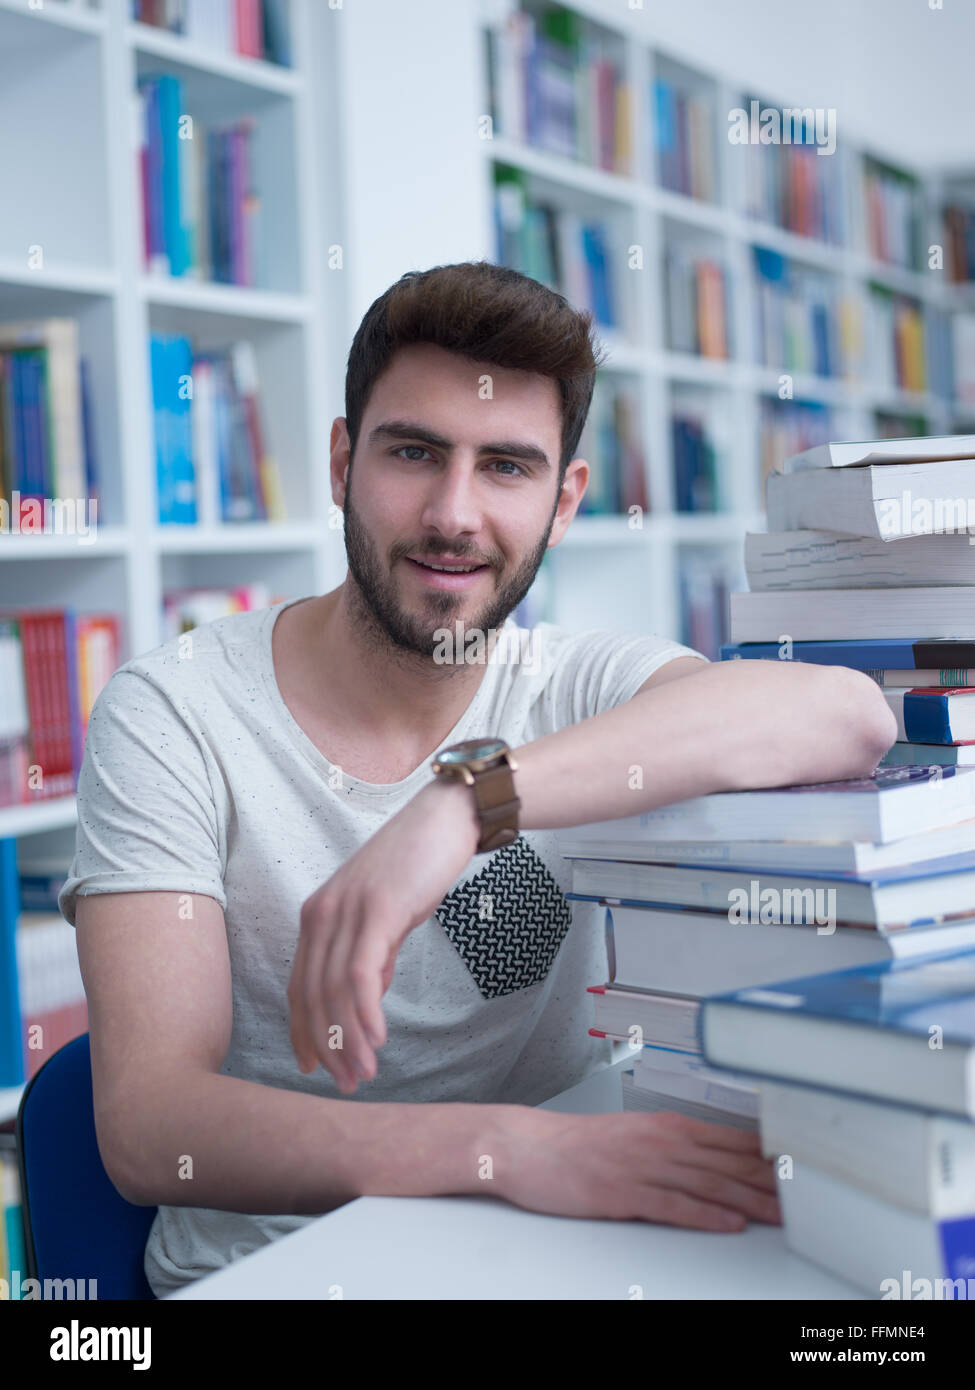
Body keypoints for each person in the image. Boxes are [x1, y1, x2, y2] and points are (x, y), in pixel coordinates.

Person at [60, 262, 896, 1297]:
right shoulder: (176, 710)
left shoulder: (576, 689)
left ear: (564, 502)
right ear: (340, 464)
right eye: (414, 452)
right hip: (269, 1273)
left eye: (506, 466)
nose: (453, 514)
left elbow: (849, 715)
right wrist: (509, 1151)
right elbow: (150, 1128)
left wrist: (461, 806)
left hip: (541, 1256)